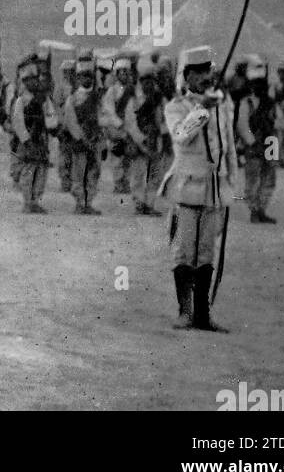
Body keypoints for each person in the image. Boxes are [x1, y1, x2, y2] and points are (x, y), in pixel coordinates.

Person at [161, 45, 236, 332]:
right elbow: (181, 136)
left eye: (209, 71)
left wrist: (232, 184)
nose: (206, 77)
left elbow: (228, 147)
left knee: (206, 251)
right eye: (199, 72)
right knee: (183, 250)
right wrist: (203, 109)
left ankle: (202, 316)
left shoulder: (221, 105)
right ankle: (185, 312)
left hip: (214, 187)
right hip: (186, 186)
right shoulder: (176, 107)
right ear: (187, 76)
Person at [235, 55, 283, 224]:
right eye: (256, 84)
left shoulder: (271, 103)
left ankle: (262, 209)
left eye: (261, 83)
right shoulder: (246, 102)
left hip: (270, 143)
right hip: (254, 145)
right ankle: (254, 210)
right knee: (253, 180)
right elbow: (242, 125)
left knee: (269, 178)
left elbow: (280, 122)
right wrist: (252, 142)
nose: (259, 87)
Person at [12, 53, 56, 213]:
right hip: (28, 141)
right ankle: (27, 201)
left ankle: (36, 200)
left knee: (41, 172)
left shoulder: (44, 99)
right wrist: (26, 140)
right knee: (28, 172)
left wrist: (51, 126)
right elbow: (18, 122)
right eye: (28, 80)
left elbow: (51, 116)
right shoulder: (21, 100)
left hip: (41, 140)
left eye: (34, 79)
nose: (32, 82)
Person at [124, 54, 168, 216]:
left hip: (156, 142)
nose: (148, 84)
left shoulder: (159, 99)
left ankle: (149, 204)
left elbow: (165, 120)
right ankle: (139, 203)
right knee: (138, 175)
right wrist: (142, 140)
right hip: (139, 143)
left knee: (155, 175)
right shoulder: (134, 100)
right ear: (141, 82)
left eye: (151, 81)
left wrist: (158, 134)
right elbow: (130, 123)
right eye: (145, 81)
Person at [63, 50, 102, 214]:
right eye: (83, 76)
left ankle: (89, 202)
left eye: (89, 76)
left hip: (95, 141)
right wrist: (82, 138)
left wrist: (98, 137)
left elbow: (103, 117)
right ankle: (80, 202)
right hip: (80, 142)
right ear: (77, 78)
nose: (86, 79)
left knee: (93, 172)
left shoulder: (98, 98)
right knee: (79, 173)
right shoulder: (72, 99)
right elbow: (70, 121)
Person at [100, 55, 137, 195]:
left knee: (128, 156)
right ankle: (118, 182)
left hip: (131, 127)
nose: (125, 75)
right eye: (122, 72)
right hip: (117, 128)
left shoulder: (133, 90)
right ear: (117, 74)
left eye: (127, 72)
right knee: (117, 157)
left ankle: (126, 182)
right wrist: (118, 123)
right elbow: (108, 108)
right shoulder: (112, 90)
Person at [55, 58, 77, 193]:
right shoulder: (60, 87)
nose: (68, 74)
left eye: (71, 72)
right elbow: (56, 106)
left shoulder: (78, 87)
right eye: (66, 72)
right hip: (64, 124)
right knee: (64, 155)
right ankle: (65, 180)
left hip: (76, 124)